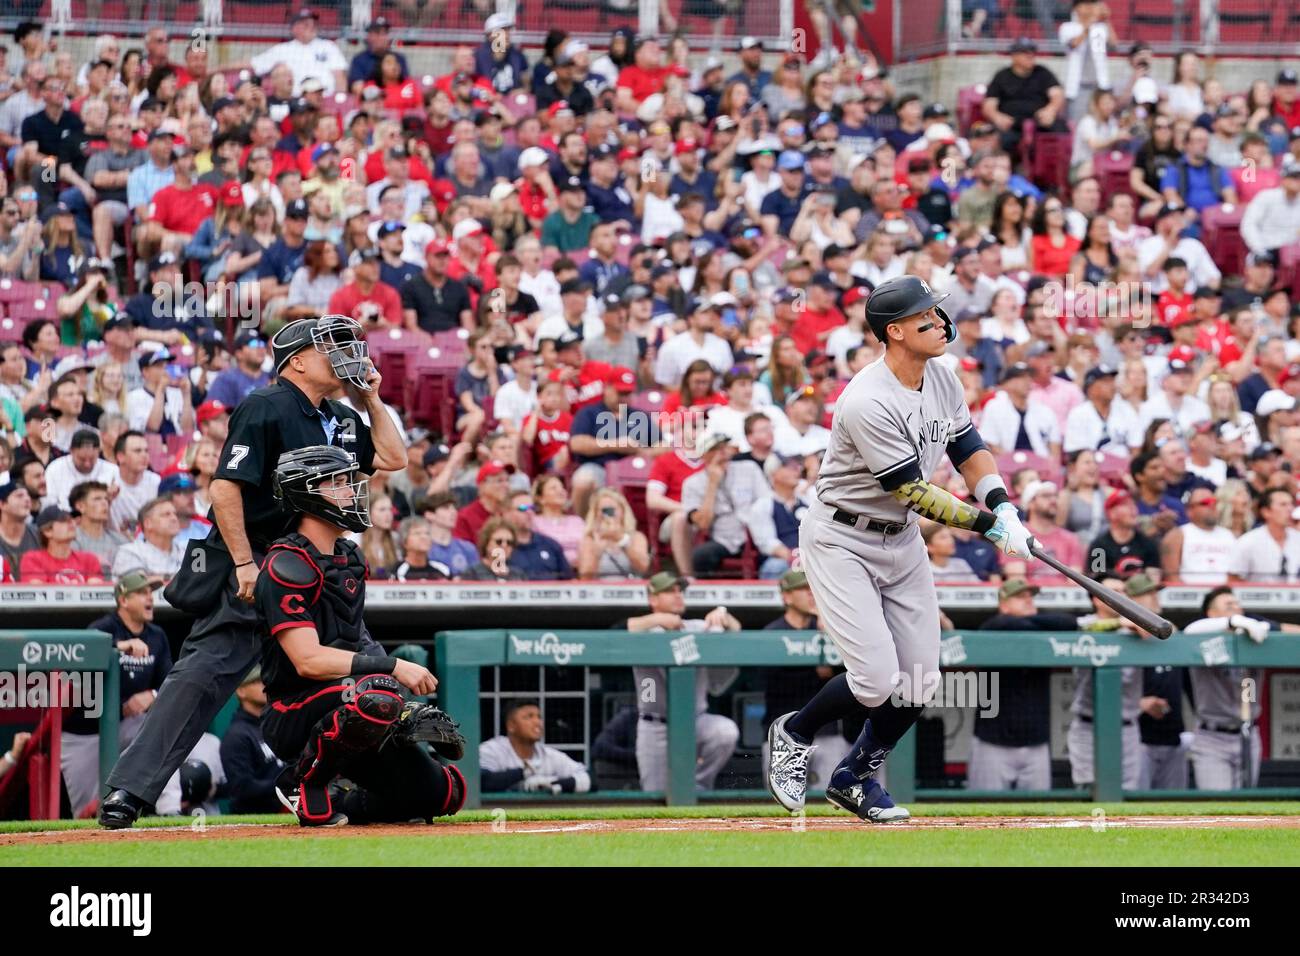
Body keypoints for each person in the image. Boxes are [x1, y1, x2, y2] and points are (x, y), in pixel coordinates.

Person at [99, 316, 407, 830]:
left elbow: (394, 458)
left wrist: (371, 398)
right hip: (260, 562)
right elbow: (225, 489)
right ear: (299, 360)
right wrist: (245, 563)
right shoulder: (267, 405)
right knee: (201, 679)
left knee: (364, 668)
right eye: (328, 347)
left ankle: (340, 784)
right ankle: (129, 792)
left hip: (320, 567)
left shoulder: (341, 415)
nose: (342, 354)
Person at [765, 275, 1035, 824]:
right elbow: (912, 489)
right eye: (924, 318)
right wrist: (988, 527)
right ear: (894, 332)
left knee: (919, 680)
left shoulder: (941, 377)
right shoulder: (866, 399)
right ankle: (794, 732)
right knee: (874, 681)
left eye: (936, 313)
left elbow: (967, 446)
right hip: (842, 536)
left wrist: (1002, 502)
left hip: (901, 538)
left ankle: (854, 777)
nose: (938, 323)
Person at [254, 445, 464, 826]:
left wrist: (404, 706)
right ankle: (301, 782)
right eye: (338, 483)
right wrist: (393, 668)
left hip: (356, 703)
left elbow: (357, 637)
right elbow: (309, 660)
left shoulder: (349, 557)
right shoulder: (285, 562)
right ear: (307, 492)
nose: (352, 491)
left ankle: (348, 802)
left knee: (444, 794)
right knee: (377, 691)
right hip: (294, 711)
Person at [613, 572, 741, 792]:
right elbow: (612, 634)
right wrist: (657, 619)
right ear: (653, 599)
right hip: (655, 725)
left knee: (725, 731)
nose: (678, 595)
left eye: (680, 591)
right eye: (669, 591)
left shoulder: (696, 628)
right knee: (656, 795)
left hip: (695, 721)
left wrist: (723, 615)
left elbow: (736, 631)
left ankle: (698, 783)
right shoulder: (642, 631)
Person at [62, 571, 172, 817]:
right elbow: (76, 665)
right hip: (84, 732)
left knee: (160, 734)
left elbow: (170, 681)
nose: (150, 598)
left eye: (151, 593)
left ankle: (170, 811)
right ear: (123, 600)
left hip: (126, 724)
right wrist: (118, 647)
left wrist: (152, 694)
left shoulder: (157, 635)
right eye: (142, 593)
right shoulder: (102, 628)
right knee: (86, 811)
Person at [1182, 586, 1300, 789]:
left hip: (1248, 733)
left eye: (1237, 605)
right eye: (1228, 605)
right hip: (1212, 736)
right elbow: (1189, 631)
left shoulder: (1255, 636)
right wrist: (1231, 621)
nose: (1236, 609)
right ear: (1212, 613)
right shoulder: (1203, 637)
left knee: (1245, 805)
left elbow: (1292, 634)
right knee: (1217, 806)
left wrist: (1267, 628)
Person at [968, 579, 1076, 791]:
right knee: (985, 812)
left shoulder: (1039, 629)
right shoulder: (993, 627)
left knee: (1037, 815)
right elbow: (1005, 624)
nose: (1028, 601)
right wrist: (1038, 622)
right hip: (993, 741)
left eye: (1030, 597)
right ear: (1004, 605)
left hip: (1036, 741)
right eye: (1020, 597)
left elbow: (1069, 622)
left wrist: (1036, 622)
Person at [1066, 573, 1161, 792]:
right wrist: (1119, 622)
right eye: (1115, 591)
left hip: (1126, 727)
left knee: (1128, 792)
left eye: (1124, 591)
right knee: (1087, 791)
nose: (1122, 596)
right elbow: (1082, 628)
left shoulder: (1138, 625)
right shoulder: (1085, 623)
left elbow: (1167, 630)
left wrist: (1141, 623)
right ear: (1097, 598)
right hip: (1088, 725)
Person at [681, 428, 768, 575]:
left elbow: (767, 502)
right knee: (701, 556)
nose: (722, 453)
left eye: (724, 447)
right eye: (715, 449)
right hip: (724, 539)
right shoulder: (692, 483)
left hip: (757, 534)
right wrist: (712, 484)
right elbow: (702, 524)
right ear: (703, 455)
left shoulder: (749, 468)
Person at [480, 700, 592, 794]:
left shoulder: (548, 755)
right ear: (511, 725)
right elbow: (482, 782)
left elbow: (591, 778)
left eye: (539, 717)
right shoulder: (492, 750)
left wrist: (554, 784)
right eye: (529, 717)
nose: (537, 722)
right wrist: (525, 773)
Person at [218, 666, 284, 814]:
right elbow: (242, 788)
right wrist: (284, 786)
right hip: (253, 817)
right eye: (257, 681)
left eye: (266, 680)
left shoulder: (277, 725)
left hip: (286, 812)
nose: (264, 684)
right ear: (241, 691)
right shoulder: (237, 735)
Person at [1160, 488, 1236, 584]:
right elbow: (1171, 575)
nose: (1212, 506)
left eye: (1214, 502)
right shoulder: (1177, 535)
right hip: (1189, 594)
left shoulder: (1229, 535)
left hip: (1226, 594)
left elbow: (1236, 574)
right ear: (1190, 510)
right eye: (1206, 503)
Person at [577, 488, 651, 580]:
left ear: (623, 511)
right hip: (599, 589)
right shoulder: (589, 539)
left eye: (612, 509)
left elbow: (643, 567)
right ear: (596, 514)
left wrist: (620, 539)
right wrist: (597, 552)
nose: (608, 514)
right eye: (603, 510)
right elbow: (585, 576)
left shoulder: (636, 537)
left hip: (630, 588)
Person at [1087, 488, 1162, 579]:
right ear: (1111, 513)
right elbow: (1096, 580)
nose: (1133, 509)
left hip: (1141, 592)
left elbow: (1154, 579)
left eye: (1133, 504)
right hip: (1109, 592)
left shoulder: (1148, 544)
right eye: (1125, 505)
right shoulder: (1099, 547)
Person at [19, 505, 105, 584]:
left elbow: (95, 596)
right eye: (64, 520)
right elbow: (39, 594)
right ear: (47, 531)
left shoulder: (89, 560)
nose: (72, 522)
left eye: (72, 519)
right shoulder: (33, 559)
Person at [1229, 487, 1300, 582]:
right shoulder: (1248, 542)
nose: (1290, 509)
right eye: (1283, 505)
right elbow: (1233, 578)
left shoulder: (1297, 538)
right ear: (1266, 512)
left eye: (1291, 504)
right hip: (1259, 595)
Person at [111, 496, 185, 582]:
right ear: (148, 523)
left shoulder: (187, 552)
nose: (174, 518)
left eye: (175, 514)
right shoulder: (130, 552)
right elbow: (138, 584)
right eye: (166, 514)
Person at [503, 489, 572, 581]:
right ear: (506, 513)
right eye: (523, 508)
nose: (529, 512)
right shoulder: (500, 546)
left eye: (532, 508)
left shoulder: (551, 545)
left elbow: (569, 582)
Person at [70, 480, 129, 576]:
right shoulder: (70, 538)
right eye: (97, 499)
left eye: (106, 499)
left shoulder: (120, 541)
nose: (104, 503)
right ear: (80, 506)